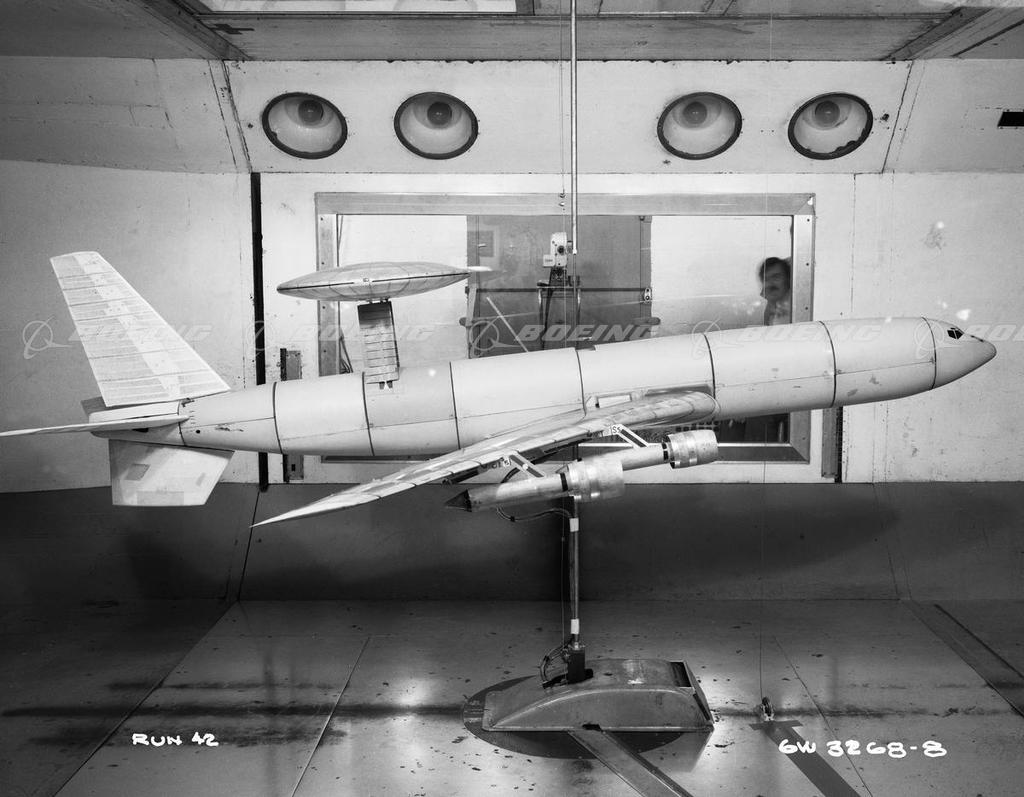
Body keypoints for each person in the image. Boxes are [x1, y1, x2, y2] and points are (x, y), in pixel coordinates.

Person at [759, 256, 792, 326]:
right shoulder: (770, 306)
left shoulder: (797, 306)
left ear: (788, 279)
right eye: (766, 279)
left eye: (776, 277)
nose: (771, 283)